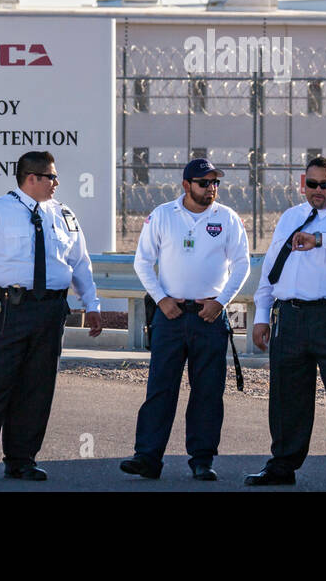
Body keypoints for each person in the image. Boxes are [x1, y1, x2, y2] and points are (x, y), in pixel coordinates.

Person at [0, 150, 102, 482]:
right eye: (51, 177)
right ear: (32, 178)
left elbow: (79, 263)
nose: (57, 183)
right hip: (8, 309)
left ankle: (22, 458)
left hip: (50, 310)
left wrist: (91, 304)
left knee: (38, 387)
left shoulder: (64, 214)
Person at [244, 155, 326, 491]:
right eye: (311, 184)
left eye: (325, 184)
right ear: (303, 183)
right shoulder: (291, 216)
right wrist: (261, 316)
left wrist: (320, 239)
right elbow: (271, 269)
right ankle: (282, 466)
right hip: (291, 316)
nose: (317, 191)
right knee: (286, 397)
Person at [120, 157, 251, 481]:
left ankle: (201, 460)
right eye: (204, 183)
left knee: (207, 391)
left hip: (209, 317)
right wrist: (162, 300)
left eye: (215, 182)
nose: (211, 188)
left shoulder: (228, 218)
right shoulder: (163, 216)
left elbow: (242, 265)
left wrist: (221, 303)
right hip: (171, 315)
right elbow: (142, 262)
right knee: (160, 388)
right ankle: (148, 457)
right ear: (186, 185)